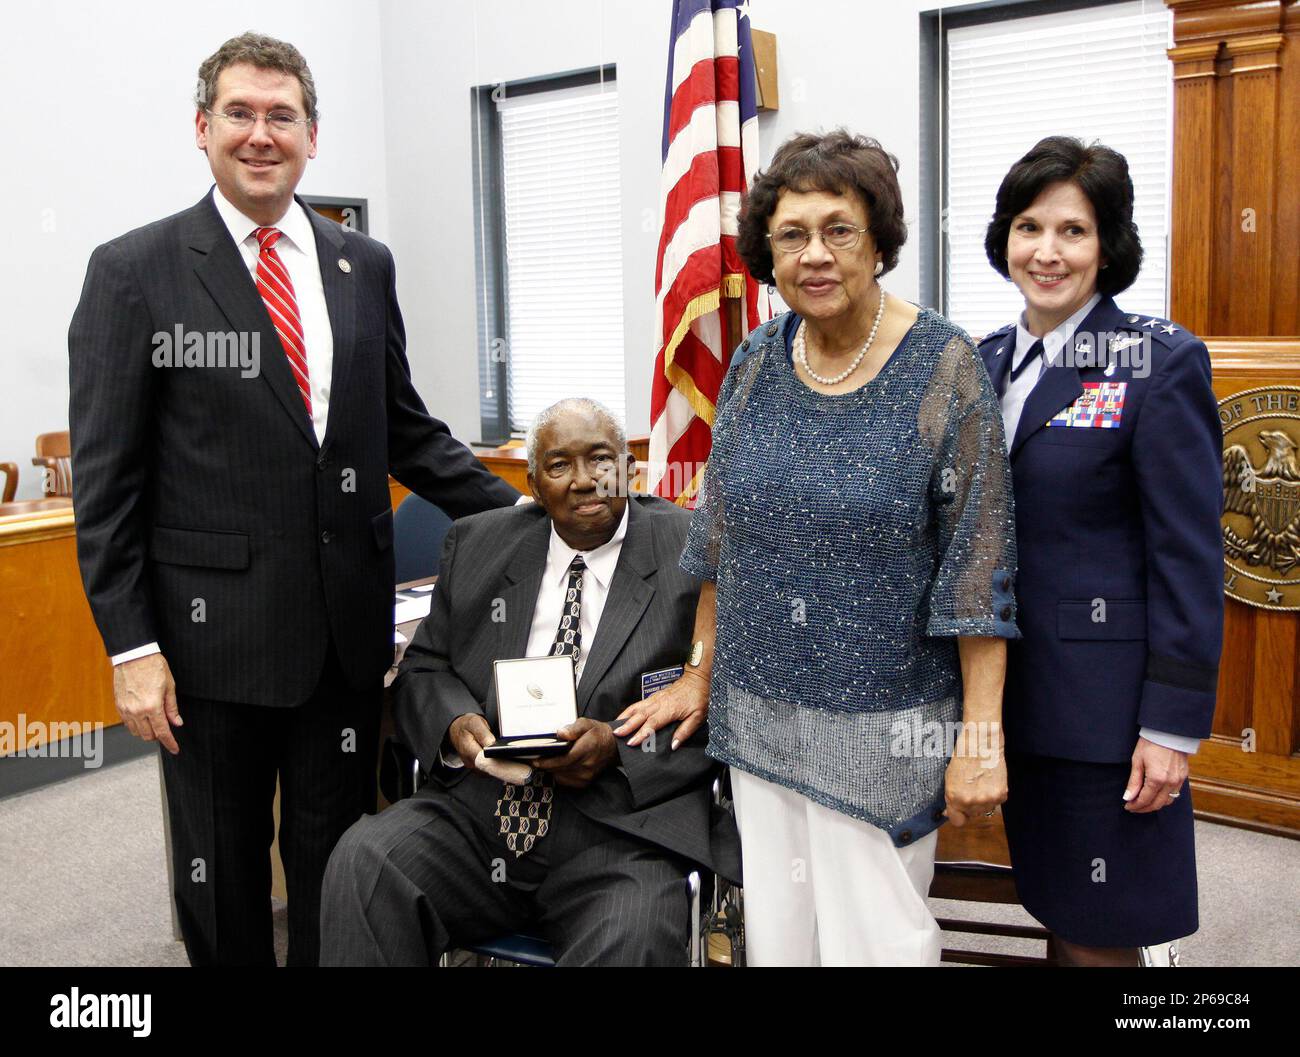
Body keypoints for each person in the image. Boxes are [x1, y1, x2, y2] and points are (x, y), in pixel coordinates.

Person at [67, 32, 520, 967]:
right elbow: (108, 484)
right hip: (208, 650)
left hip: (343, 645)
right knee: (224, 875)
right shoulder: (135, 273)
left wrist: (531, 516)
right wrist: (133, 647)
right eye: (240, 112)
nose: (260, 133)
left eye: (282, 115)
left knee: (337, 862)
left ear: (314, 134)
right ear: (202, 129)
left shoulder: (364, 263)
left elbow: (403, 428)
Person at [616, 130, 1018, 966]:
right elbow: (722, 541)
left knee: (877, 941)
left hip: (885, 720)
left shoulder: (944, 366)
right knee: (781, 936)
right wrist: (699, 668)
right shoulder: (758, 361)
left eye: (839, 228)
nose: (816, 254)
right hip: (760, 708)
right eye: (792, 234)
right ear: (768, 251)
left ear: (879, 241)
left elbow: (979, 568)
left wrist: (982, 736)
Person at [319, 399, 740, 966]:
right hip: (477, 815)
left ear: (630, 469)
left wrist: (615, 751)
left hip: (621, 834)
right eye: (560, 465)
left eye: (601, 460)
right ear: (535, 486)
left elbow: (726, 702)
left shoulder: (692, 552)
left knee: (632, 935)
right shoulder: (478, 543)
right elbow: (425, 667)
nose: (586, 481)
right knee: (365, 860)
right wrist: (455, 726)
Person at [975, 136, 1223, 966]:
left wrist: (1173, 726)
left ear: (1109, 246)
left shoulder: (1156, 361)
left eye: (1073, 231)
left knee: (1099, 931)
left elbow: (1188, 559)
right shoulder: (981, 364)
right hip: (1003, 698)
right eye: (1029, 226)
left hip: (1104, 715)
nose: (1047, 251)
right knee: (1052, 899)